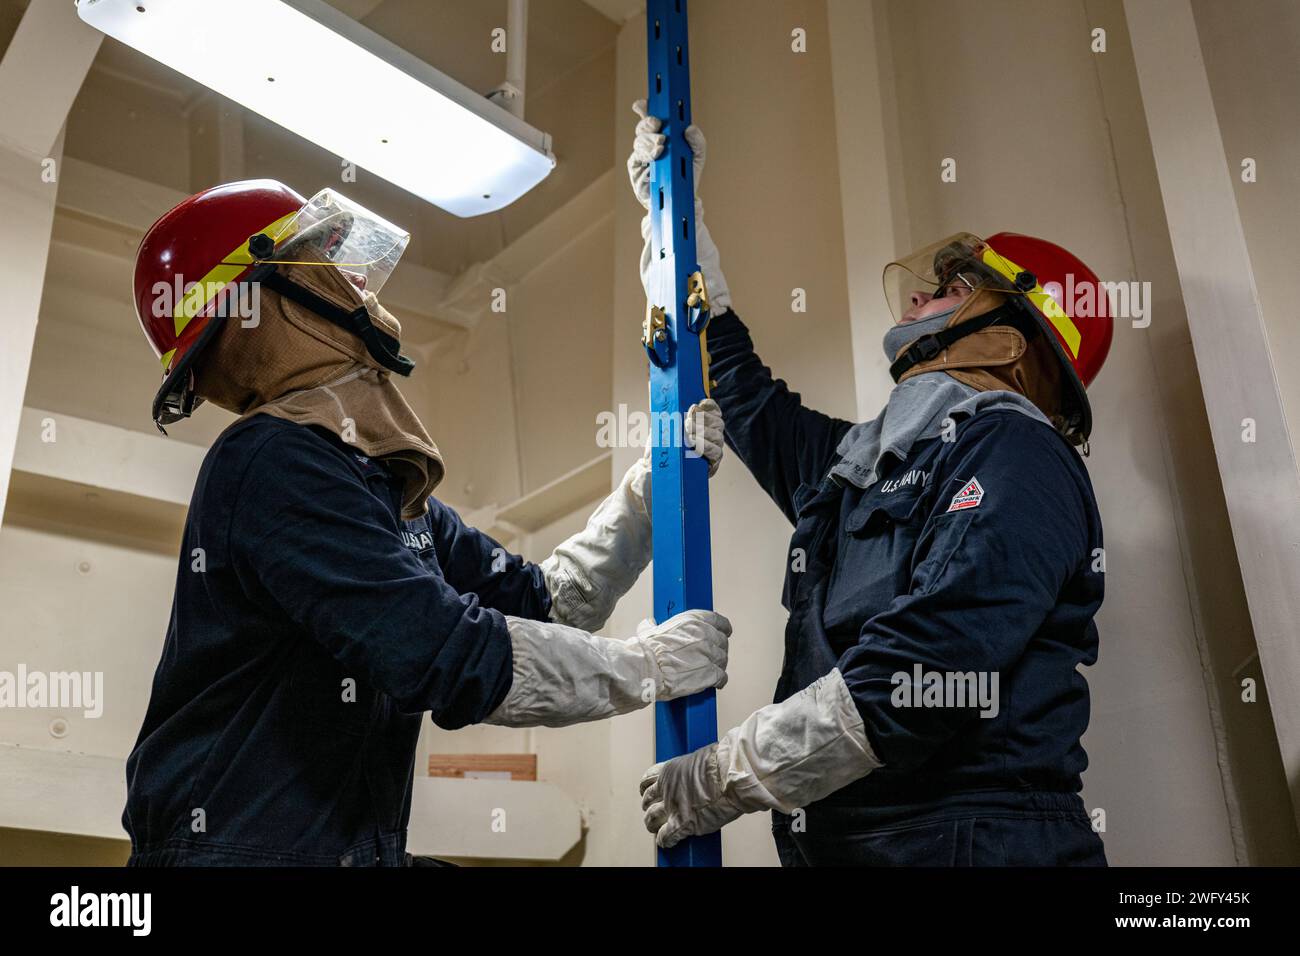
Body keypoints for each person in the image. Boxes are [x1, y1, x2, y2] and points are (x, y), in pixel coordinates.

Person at [123, 180, 731, 866]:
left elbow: (544, 603)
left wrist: (649, 498)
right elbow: (443, 655)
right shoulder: (274, 462)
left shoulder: (375, 485)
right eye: (322, 264)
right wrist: (644, 666)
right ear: (263, 303)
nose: (354, 282)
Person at [627, 105, 1112, 866]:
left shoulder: (1021, 455)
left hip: (974, 842)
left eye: (953, 290)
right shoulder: (868, 461)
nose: (920, 300)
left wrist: (743, 768)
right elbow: (750, 403)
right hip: (858, 844)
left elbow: (938, 658)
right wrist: (674, 230)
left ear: (1008, 341)